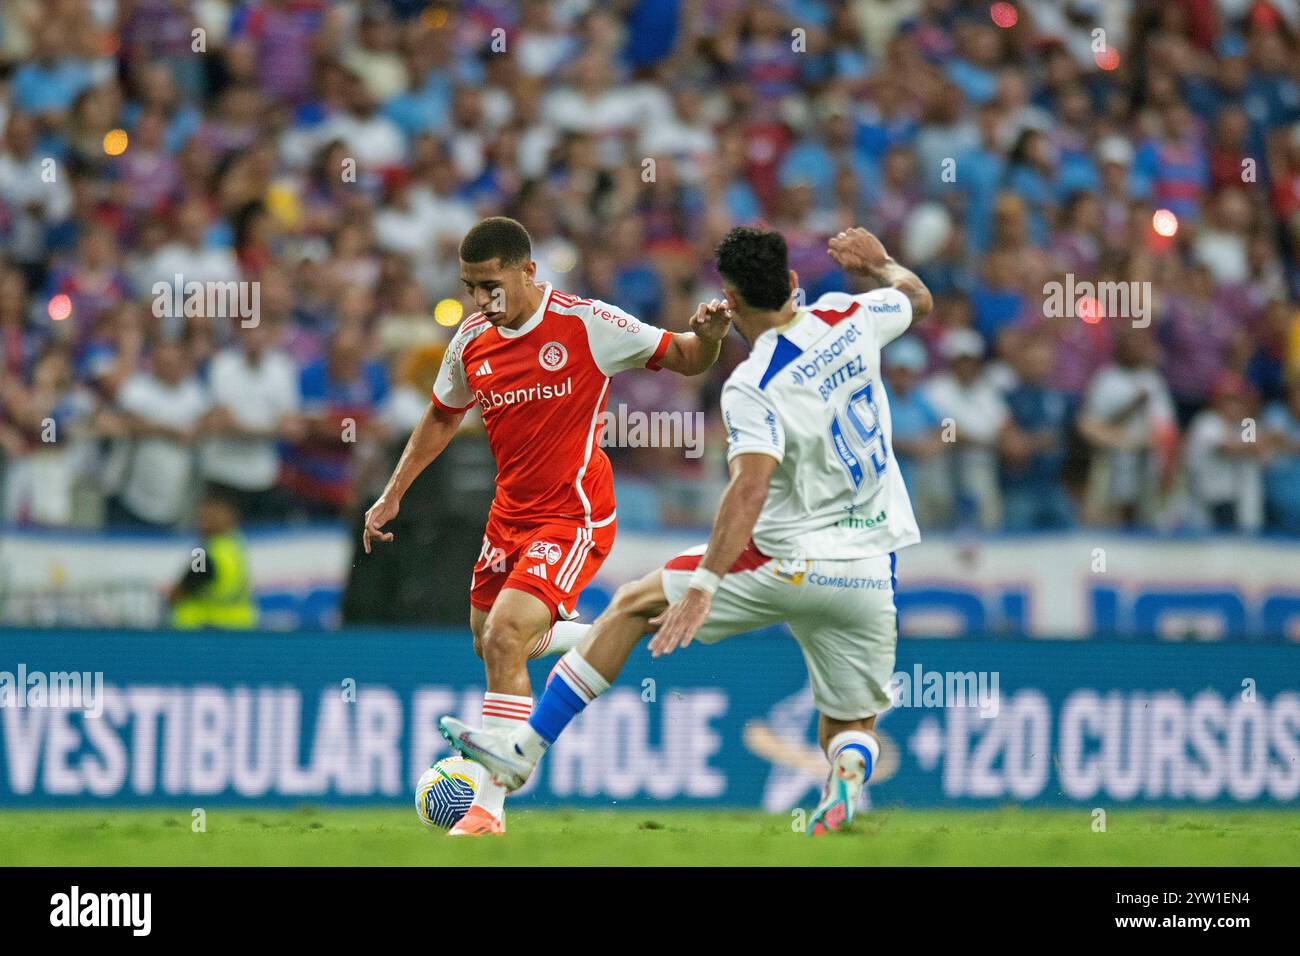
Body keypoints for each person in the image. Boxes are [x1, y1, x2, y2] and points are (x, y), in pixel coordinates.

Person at [440, 225, 933, 837]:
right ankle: (849, 776)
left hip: (784, 560)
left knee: (631, 604)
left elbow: (748, 489)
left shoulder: (754, 385)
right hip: (870, 571)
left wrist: (704, 585)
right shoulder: (852, 315)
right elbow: (916, 298)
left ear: (731, 298)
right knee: (849, 724)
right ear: (795, 283)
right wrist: (882, 262)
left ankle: (524, 750)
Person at [362, 217, 729, 835]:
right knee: (487, 640)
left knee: (505, 638)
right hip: (509, 517)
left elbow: (688, 357)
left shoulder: (589, 323)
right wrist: (392, 493)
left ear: (528, 271)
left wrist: (710, 336)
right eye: (470, 287)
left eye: (490, 286)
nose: (480, 301)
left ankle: (487, 809)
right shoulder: (471, 341)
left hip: (575, 511)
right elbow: (441, 417)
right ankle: (586, 636)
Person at [169, 492, 257, 629]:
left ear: (229, 517)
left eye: (210, 516)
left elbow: (180, 591)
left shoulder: (204, 553)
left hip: (203, 629)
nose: (203, 520)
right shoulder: (235, 544)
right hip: (239, 626)